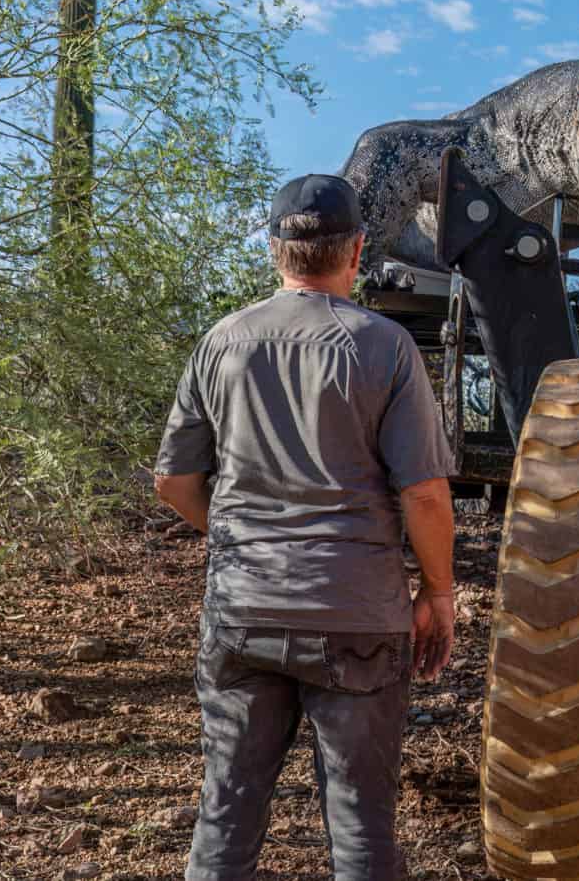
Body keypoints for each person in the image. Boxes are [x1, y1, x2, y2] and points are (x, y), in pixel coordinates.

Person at [153, 174, 459, 880]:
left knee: (225, 818)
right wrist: (437, 592)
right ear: (355, 251)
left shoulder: (222, 342)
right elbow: (427, 496)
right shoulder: (384, 349)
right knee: (361, 829)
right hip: (357, 619)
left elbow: (172, 481)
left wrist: (238, 536)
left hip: (242, 613)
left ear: (274, 251)